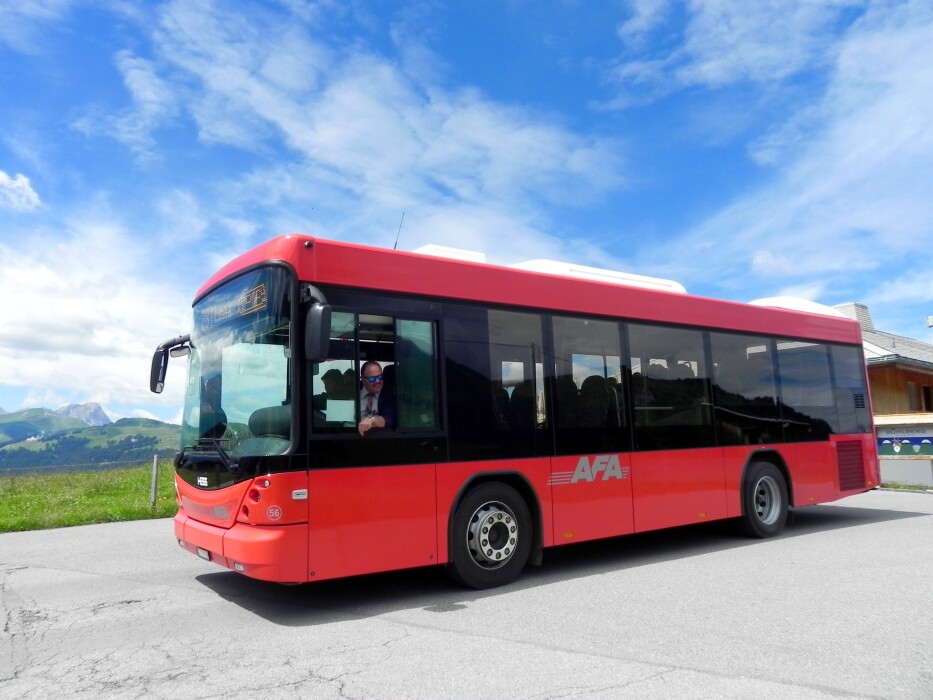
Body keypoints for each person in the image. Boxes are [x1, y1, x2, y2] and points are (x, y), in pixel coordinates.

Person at [358, 361, 396, 436]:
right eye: (372, 379)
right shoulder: (353, 390)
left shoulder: (389, 392)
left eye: (380, 377)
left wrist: (371, 420)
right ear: (362, 379)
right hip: (352, 436)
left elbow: (389, 419)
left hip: (379, 438)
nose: (377, 381)